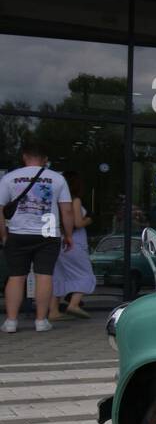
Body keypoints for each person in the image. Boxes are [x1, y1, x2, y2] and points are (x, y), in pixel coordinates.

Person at [0, 140, 74, 333]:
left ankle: (11, 321)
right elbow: (66, 211)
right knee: (44, 276)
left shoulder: (10, 178)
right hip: (48, 231)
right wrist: (68, 235)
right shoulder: (57, 179)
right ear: (45, 160)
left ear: (24, 156)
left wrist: (3, 234)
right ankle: (41, 321)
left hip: (17, 232)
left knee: (16, 277)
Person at [50, 171, 96, 320]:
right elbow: (77, 223)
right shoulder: (74, 200)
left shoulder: (55, 200)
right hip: (74, 242)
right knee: (85, 274)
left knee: (58, 276)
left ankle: (53, 311)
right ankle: (74, 304)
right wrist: (89, 219)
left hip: (57, 241)